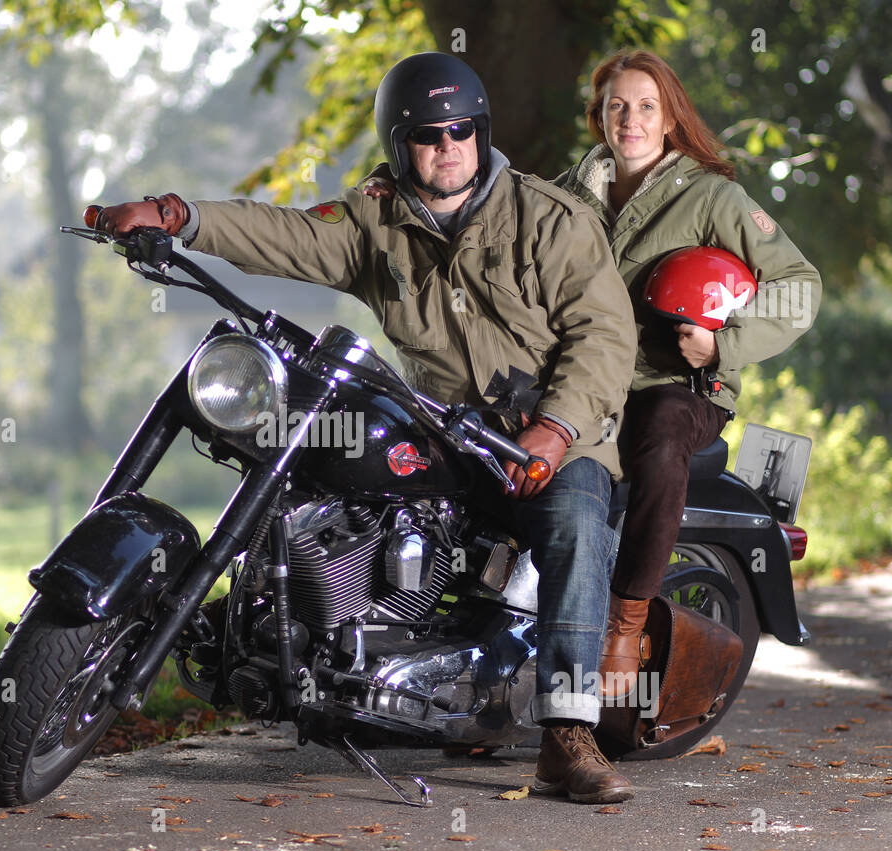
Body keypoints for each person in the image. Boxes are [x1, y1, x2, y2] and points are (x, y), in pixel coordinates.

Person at [88, 52, 640, 803]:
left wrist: (556, 429)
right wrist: (180, 217)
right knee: (324, 466)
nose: (447, 148)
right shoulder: (375, 222)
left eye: (459, 132)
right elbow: (284, 235)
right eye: (427, 136)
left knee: (576, 522)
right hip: (447, 431)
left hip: (548, 437)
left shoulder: (550, 220)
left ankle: (568, 735)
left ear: (479, 133)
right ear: (398, 144)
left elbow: (604, 336)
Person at [551, 50, 821, 699]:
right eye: (617, 105)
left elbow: (799, 285)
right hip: (586, 379)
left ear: (669, 118)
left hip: (682, 383)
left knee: (661, 428)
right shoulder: (564, 195)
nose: (631, 119)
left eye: (647, 106)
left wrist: (722, 345)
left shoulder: (711, 195)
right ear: (599, 117)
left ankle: (626, 622)